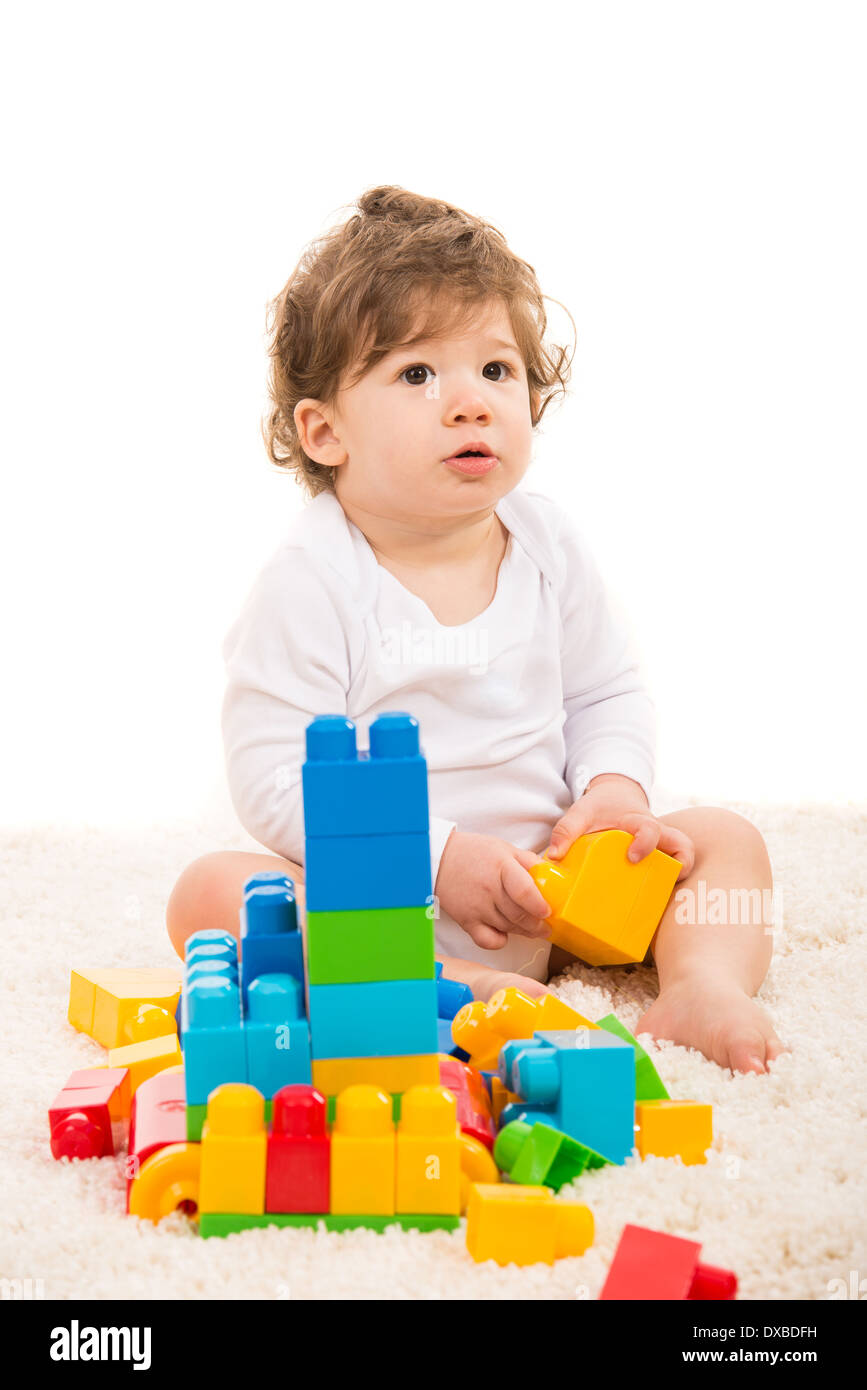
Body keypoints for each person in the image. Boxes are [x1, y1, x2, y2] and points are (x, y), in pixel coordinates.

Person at [167, 185, 785, 1075]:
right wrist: (437, 857)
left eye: (496, 371)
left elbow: (605, 690)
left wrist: (614, 793)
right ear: (324, 430)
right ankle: (445, 984)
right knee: (215, 893)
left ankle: (703, 985)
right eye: (417, 375)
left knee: (724, 841)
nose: (469, 403)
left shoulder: (546, 543)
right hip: (382, 905)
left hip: (556, 884)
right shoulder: (311, 579)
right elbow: (272, 775)